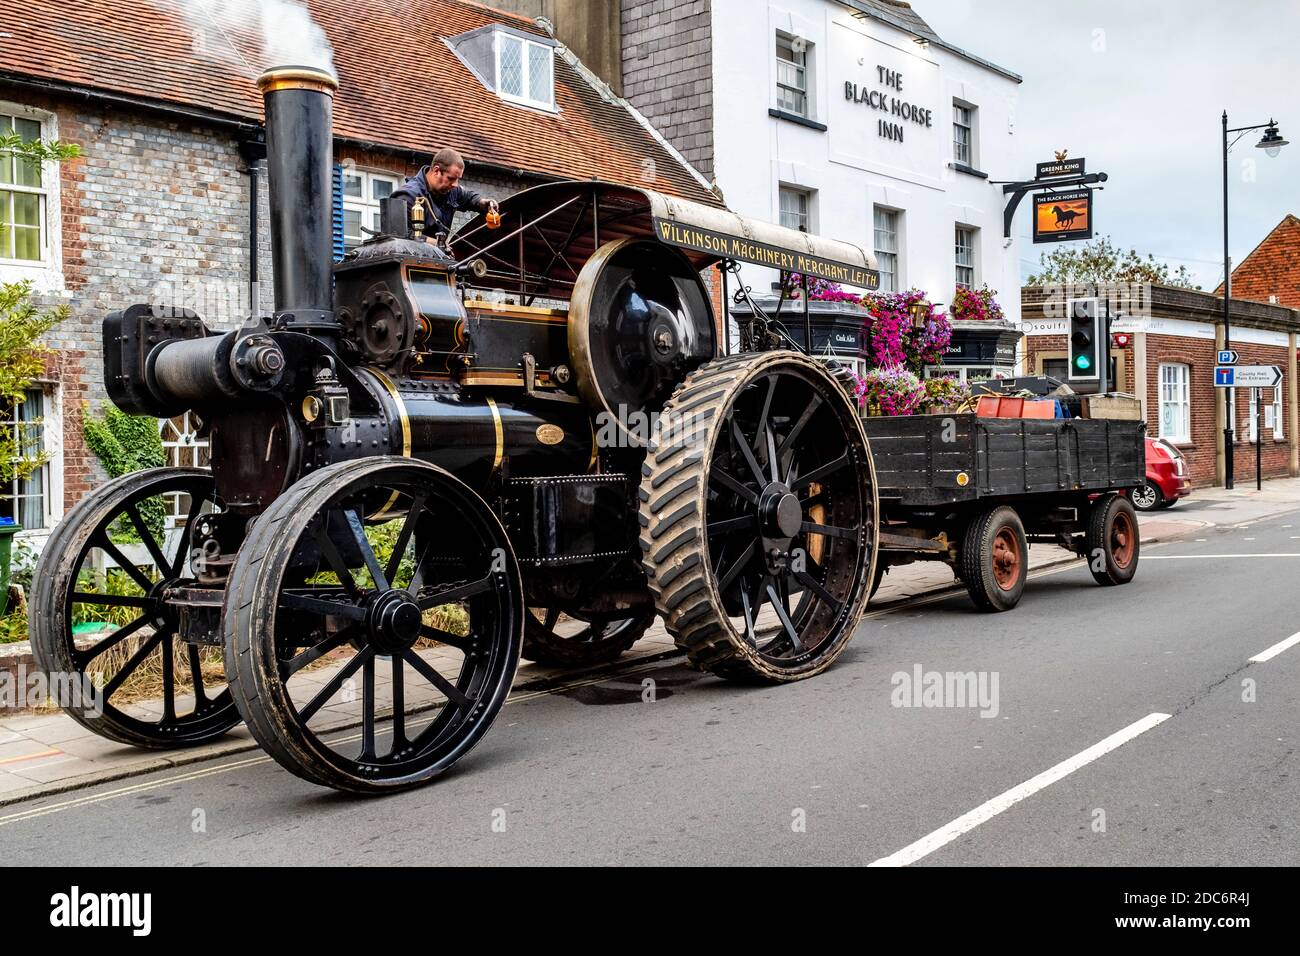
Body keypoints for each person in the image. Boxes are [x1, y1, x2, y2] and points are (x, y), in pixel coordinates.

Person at [386, 147, 498, 243]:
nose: (455, 184)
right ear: (436, 171)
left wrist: (483, 202)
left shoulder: (451, 190)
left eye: (457, 179)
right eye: (451, 178)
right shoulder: (406, 197)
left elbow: (469, 197)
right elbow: (398, 236)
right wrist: (437, 243)